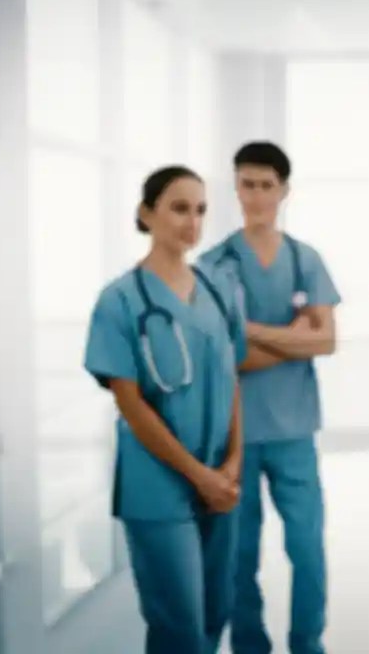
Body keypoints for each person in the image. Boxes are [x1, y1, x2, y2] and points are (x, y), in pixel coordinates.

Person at [84, 165, 246, 653]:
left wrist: (233, 464)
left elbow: (231, 379)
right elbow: (132, 408)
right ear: (145, 213)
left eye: (199, 210)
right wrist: (201, 476)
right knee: (179, 627)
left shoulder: (220, 291)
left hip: (221, 478)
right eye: (178, 208)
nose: (191, 221)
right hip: (158, 486)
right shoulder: (119, 301)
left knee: (216, 614)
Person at [199, 142, 340, 654]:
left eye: (266, 185)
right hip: (235, 434)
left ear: (284, 191)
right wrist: (291, 335)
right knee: (239, 555)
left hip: (294, 430)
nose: (255, 196)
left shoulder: (306, 260)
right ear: (235, 188)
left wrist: (249, 333)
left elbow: (326, 340)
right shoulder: (213, 264)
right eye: (246, 184)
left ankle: (308, 644)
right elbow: (222, 356)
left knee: (307, 548)